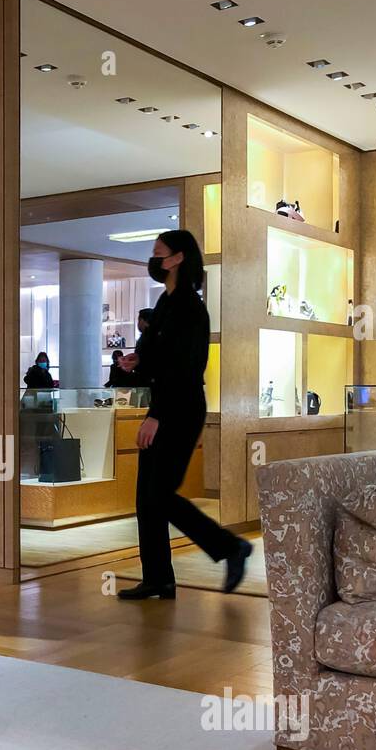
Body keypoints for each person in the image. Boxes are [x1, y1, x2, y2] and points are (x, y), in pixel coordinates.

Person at [116, 230, 252, 600]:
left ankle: (229, 547)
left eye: (158, 252)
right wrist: (137, 361)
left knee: (158, 494)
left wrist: (156, 416)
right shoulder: (165, 302)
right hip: (165, 405)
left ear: (176, 259)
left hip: (180, 408)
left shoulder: (191, 308)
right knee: (147, 497)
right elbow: (157, 356)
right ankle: (159, 578)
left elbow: (185, 368)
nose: (154, 258)